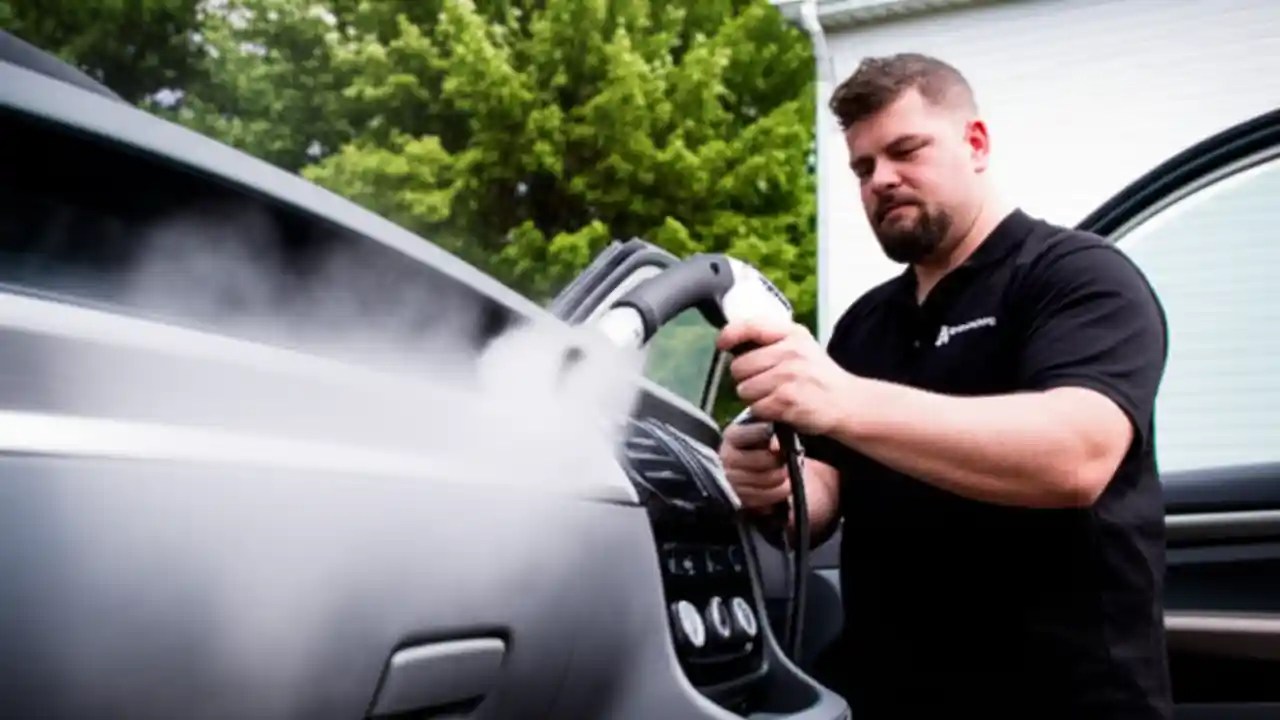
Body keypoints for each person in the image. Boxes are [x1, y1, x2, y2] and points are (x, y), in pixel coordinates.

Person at [717, 53, 1172, 719]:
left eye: (907, 150)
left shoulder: (1076, 277)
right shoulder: (867, 323)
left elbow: (1075, 457)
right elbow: (827, 494)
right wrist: (775, 485)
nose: (882, 180)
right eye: (863, 167)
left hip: (1066, 699)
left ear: (975, 144)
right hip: (890, 696)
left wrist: (842, 399)